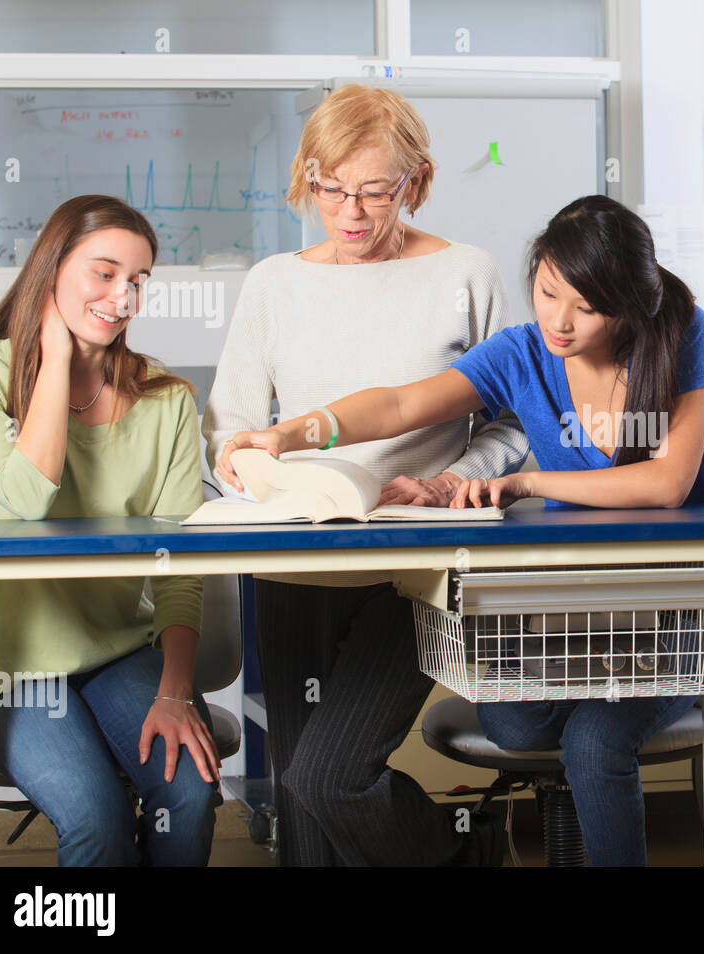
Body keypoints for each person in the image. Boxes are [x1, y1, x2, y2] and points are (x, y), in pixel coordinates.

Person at [217, 194, 704, 866]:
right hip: (570, 622)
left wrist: (528, 481)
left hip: (663, 622)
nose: (561, 320)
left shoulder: (682, 334)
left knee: (592, 743)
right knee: (511, 720)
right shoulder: (522, 352)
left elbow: (667, 483)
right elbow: (401, 403)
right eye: (548, 293)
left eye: (588, 307)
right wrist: (291, 432)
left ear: (630, 307)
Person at [201, 84, 529, 866]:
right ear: (307, 177)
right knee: (303, 810)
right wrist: (239, 462)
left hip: (418, 567)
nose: (349, 212)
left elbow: (516, 423)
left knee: (331, 776)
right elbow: (228, 423)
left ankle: (468, 854)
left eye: (375, 192)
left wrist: (453, 482)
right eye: (329, 187)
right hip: (298, 565)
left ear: (414, 182)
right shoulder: (274, 284)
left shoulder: (468, 273)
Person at [0, 194, 220, 865]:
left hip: (113, 650)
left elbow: (181, 563)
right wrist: (52, 354)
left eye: (138, 281)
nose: (123, 297)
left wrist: (174, 691)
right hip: (7, 668)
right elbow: (25, 497)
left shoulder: (164, 398)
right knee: (97, 817)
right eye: (104, 274)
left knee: (189, 788)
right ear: (51, 272)